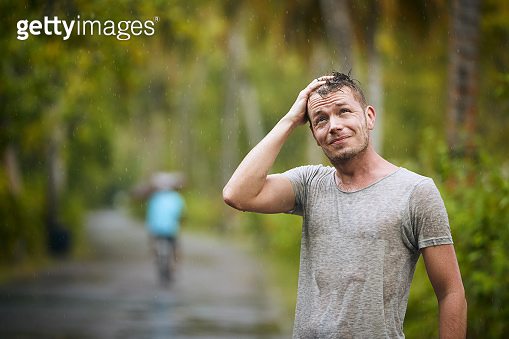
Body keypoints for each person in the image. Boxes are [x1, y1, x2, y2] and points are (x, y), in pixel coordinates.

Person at [223, 71, 467, 338]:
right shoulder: (310, 183)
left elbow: (450, 292)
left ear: (369, 117)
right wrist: (291, 119)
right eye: (321, 120)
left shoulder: (415, 191)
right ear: (315, 136)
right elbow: (238, 194)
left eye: (344, 111)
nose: (334, 126)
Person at [146, 173, 185, 283]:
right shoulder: (176, 197)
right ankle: (175, 267)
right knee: (176, 248)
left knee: (154, 246)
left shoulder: (154, 197)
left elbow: (150, 215)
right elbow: (181, 214)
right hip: (170, 230)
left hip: (156, 229)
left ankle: (155, 257)